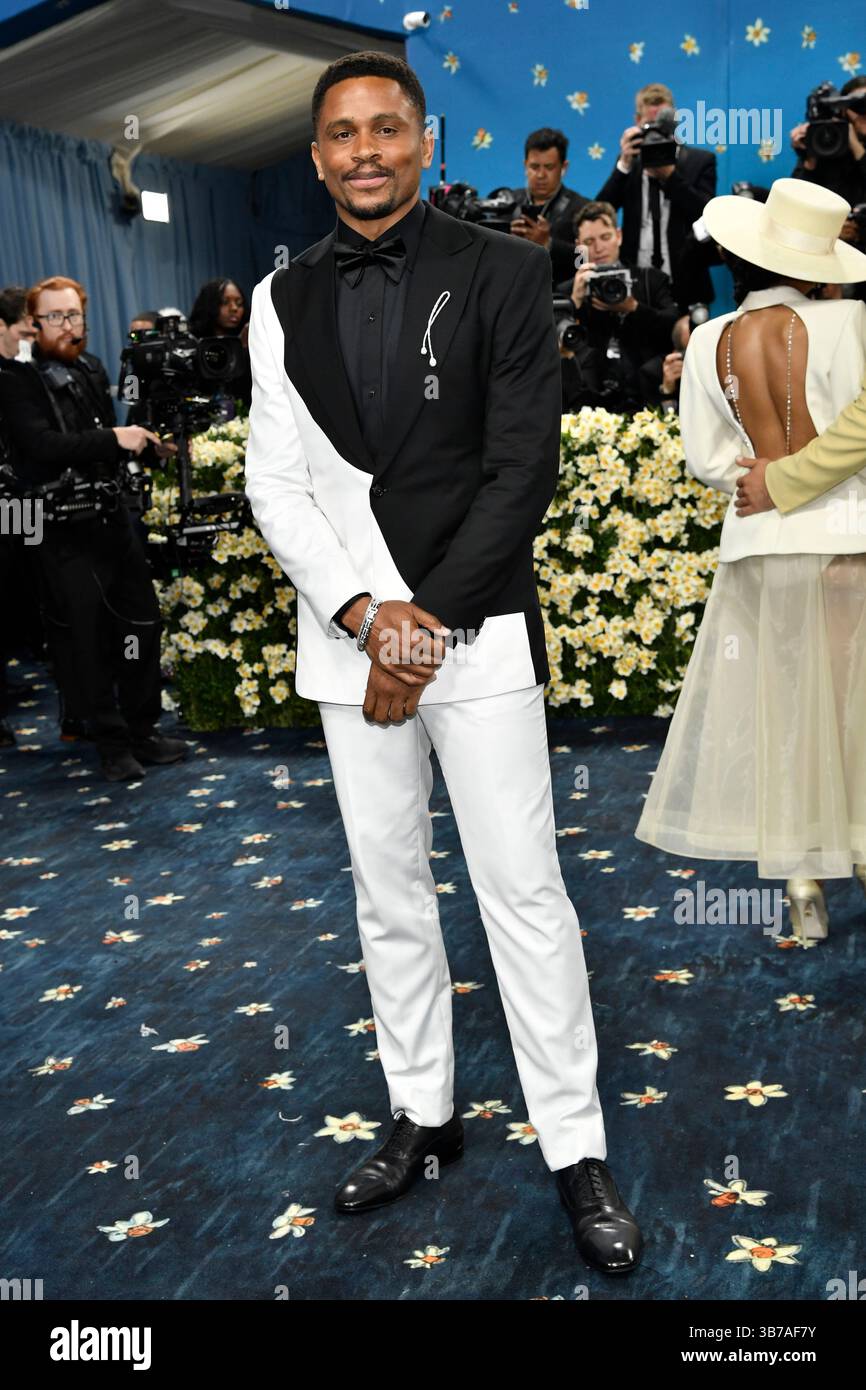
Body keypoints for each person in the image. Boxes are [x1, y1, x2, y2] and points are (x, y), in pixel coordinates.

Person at [243, 49, 643, 1274]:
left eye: (384, 128)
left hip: (476, 638)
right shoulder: (279, 297)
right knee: (386, 893)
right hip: (349, 645)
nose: (363, 149)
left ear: (421, 142)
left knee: (521, 892)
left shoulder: (511, 273)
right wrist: (368, 616)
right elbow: (278, 481)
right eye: (340, 134)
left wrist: (423, 626)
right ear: (315, 157)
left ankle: (573, 1145)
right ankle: (422, 1115)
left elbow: (519, 469)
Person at [634, 178, 866, 942]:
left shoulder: (707, 339)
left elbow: (707, 459)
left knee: (785, 713)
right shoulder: (850, 322)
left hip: (756, 549)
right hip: (847, 540)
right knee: (851, 715)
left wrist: (761, 478)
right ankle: (860, 854)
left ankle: (801, 881)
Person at [0, 276, 187, 781]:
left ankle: (143, 729)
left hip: (112, 521)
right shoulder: (16, 379)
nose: (68, 326)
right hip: (60, 532)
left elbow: (105, 444)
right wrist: (115, 438)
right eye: (56, 317)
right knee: (86, 642)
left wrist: (147, 445)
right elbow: (41, 447)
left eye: (75, 315)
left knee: (142, 626)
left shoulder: (93, 367)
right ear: (34, 325)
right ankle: (111, 742)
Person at [596, 81, 716, 312]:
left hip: (687, 283)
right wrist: (623, 165)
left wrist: (670, 176)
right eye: (649, 125)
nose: (657, 133)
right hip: (637, 285)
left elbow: (706, 216)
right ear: (637, 123)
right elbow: (601, 212)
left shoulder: (699, 161)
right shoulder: (630, 164)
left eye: (662, 126)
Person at [557, 200, 678, 412]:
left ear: (619, 236)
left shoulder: (651, 280)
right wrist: (575, 302)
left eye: (605, 237)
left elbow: (673, 326)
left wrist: (633, 307)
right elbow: (553, 346)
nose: (599, 247)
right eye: (589, 241)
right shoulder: (568, 291)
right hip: (588, 402)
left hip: (646, 396)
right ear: (578, 246)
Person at [0, 285, 38, 748]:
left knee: (16, 588)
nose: (31, 329)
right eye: (24, 323)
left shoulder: (18, 372)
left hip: (17, 503)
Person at [493, 127, 589, 284]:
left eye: (549, 167)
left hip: (559, 298)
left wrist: (549, 244)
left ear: (564, 167)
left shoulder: (581, 208)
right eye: (534, 167)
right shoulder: (507, 204)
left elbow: (588, 258)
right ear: (525, 165)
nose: (541, 175)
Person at [188, 278, 252, 412]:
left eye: (239, 303)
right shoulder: (193, 343)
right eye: (225, 302)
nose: (234, 308)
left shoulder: (252, 340)